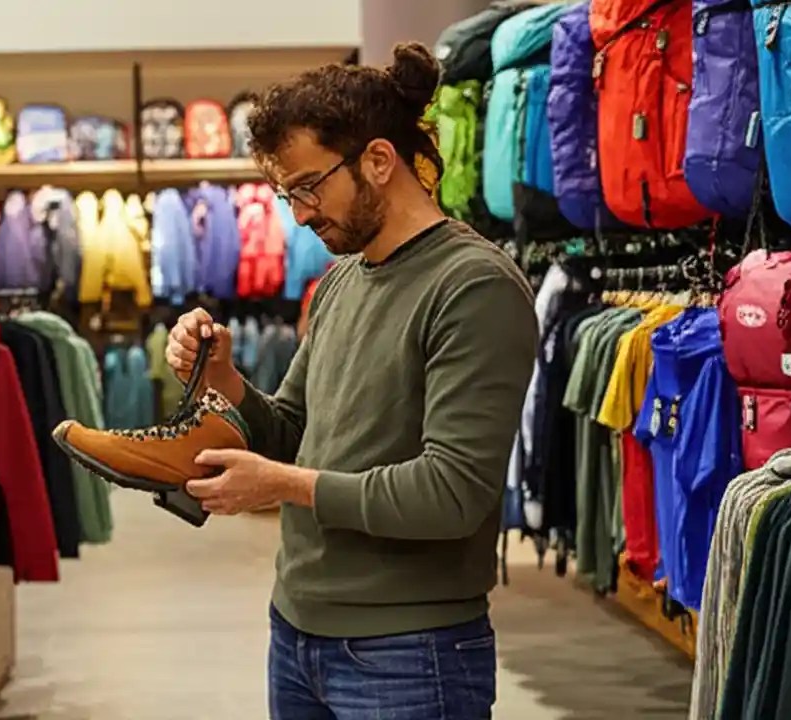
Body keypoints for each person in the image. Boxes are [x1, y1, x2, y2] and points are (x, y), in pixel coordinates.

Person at [167, 43, 538, 719]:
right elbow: (295, 433)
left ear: (377, 160)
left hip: (409, 650)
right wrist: (222, 373)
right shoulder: (343, 278)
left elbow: (451, 493)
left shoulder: (474, 288)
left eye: (308, 187)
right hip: (298, 629)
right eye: (288, 195)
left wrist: (280, 487)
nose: (299, 214)